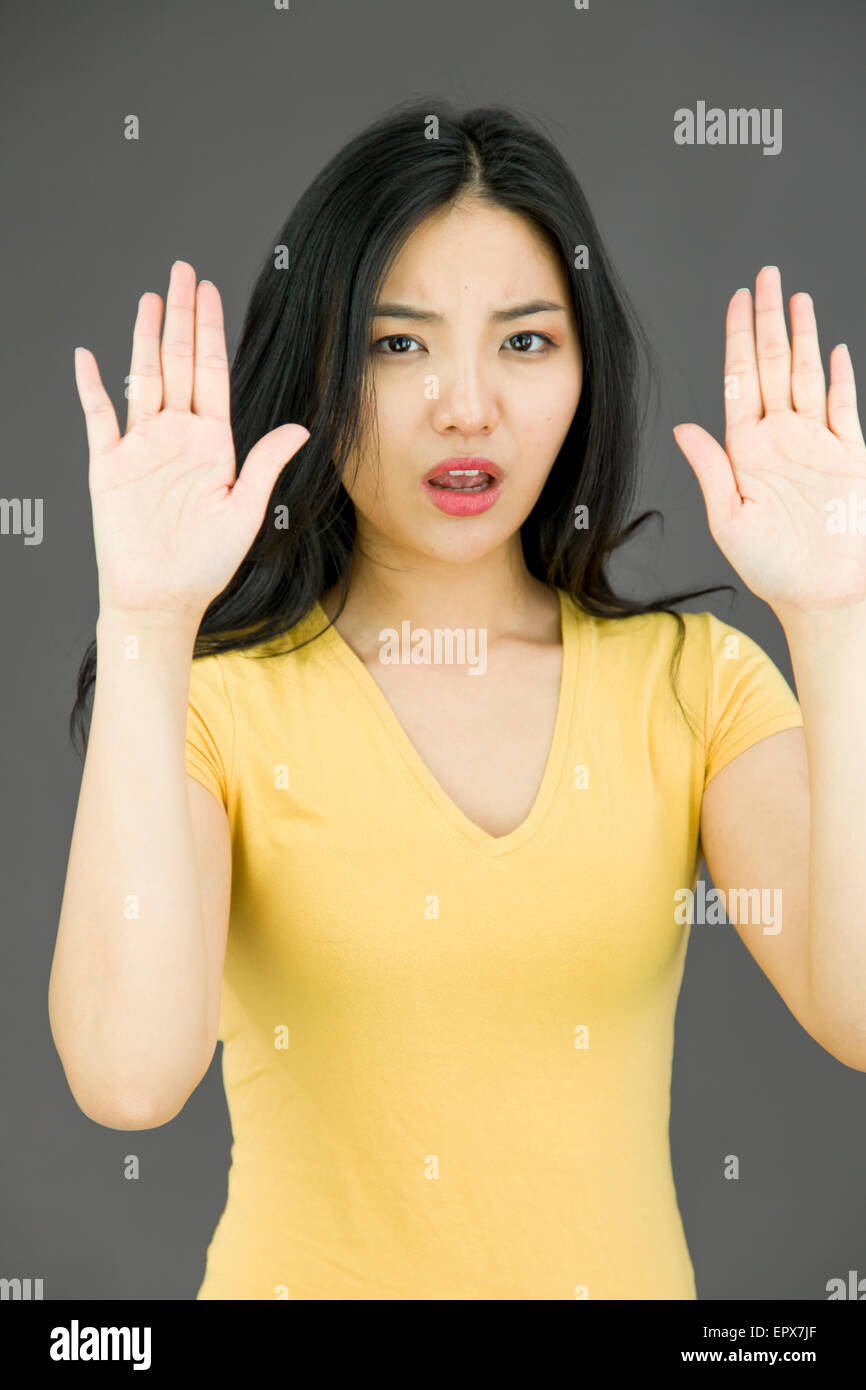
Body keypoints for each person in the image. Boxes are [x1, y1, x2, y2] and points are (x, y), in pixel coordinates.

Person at [50, 100, 866, 1301]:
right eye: (396, 344)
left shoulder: (694, 686)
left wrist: (834, 619)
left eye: (525, 342)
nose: (465, 405)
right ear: (318, 367)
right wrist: (145, 620)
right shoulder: (212, 708)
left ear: (584, 370)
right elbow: (127, 1080)